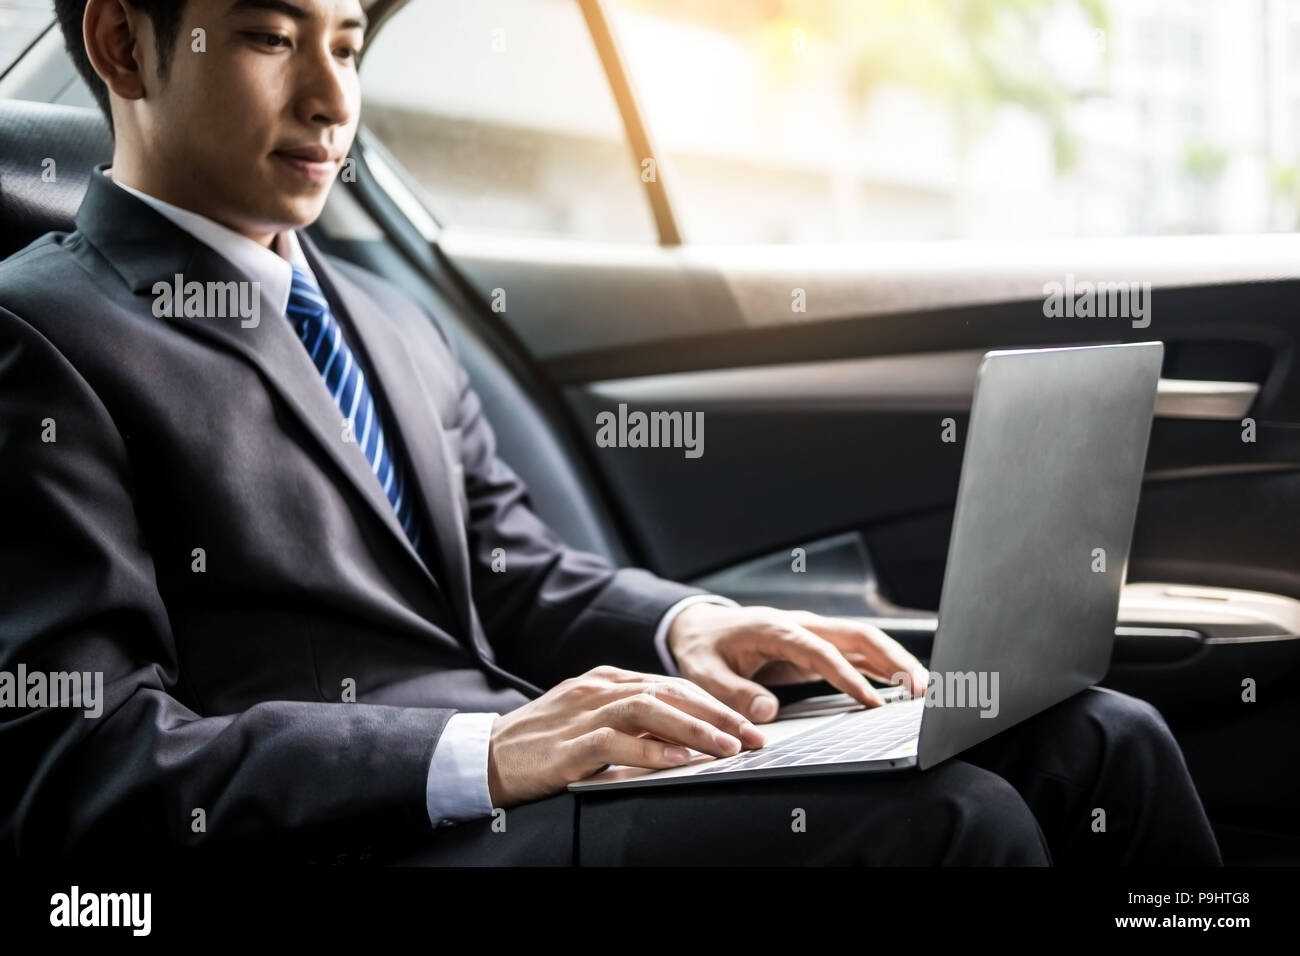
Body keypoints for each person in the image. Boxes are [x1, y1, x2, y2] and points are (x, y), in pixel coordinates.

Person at [0, 0, 1221, 866]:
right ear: (121, 44)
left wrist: (691, 623)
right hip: (377, 828)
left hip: (529, 768)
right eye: (271, 39)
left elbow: (511, 569)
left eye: (349, 43)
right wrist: (486, 751)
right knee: (958, 823)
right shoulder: (42, 334)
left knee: (1099, 738)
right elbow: (77, 760)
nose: (332, 100)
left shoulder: (385, 318)